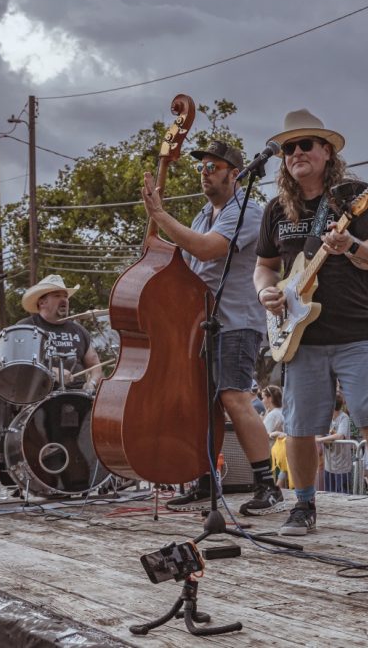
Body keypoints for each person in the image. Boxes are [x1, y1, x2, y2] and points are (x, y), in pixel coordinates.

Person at [255, 109, 368, 539]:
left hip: (356, 330)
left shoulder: (355, 196)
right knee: (298, 426)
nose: (296, 152)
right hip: (301, 336)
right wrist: (265, 292)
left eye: (305, 144)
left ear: (327, 151)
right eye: (288, 148)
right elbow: (265, 267)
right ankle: (303, 505)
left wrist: (349, 245)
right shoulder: (276, 210)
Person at [141, 139, 284, 516]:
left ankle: (268, 485)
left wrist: (160, 217)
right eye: (201, 167)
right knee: (200, 404)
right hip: (202, 324)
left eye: (212, 167)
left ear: (234, 174)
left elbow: (206, 249)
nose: (204, 174)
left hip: (236, 321)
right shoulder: (205, 214)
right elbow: (188, 264)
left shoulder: (247, 212)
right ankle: (205, 480)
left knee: (234, 397)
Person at [19, 274, 103, 393]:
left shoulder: (79, 330)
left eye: (65, 296)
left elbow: (94, 365)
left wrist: (92, 383)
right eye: (57, 296)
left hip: (78, 395)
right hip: (39, 394)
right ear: (42, 303)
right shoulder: (26, 327)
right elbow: (17, 364)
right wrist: (51, 371)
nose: (64, 300)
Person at [320, 393, 353, 494]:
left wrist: (320, 440)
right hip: (329, 465)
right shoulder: (327, 418)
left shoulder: (344, 418)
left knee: (343, 495)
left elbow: (340, 436)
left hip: (342, 467)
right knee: (329, 494)